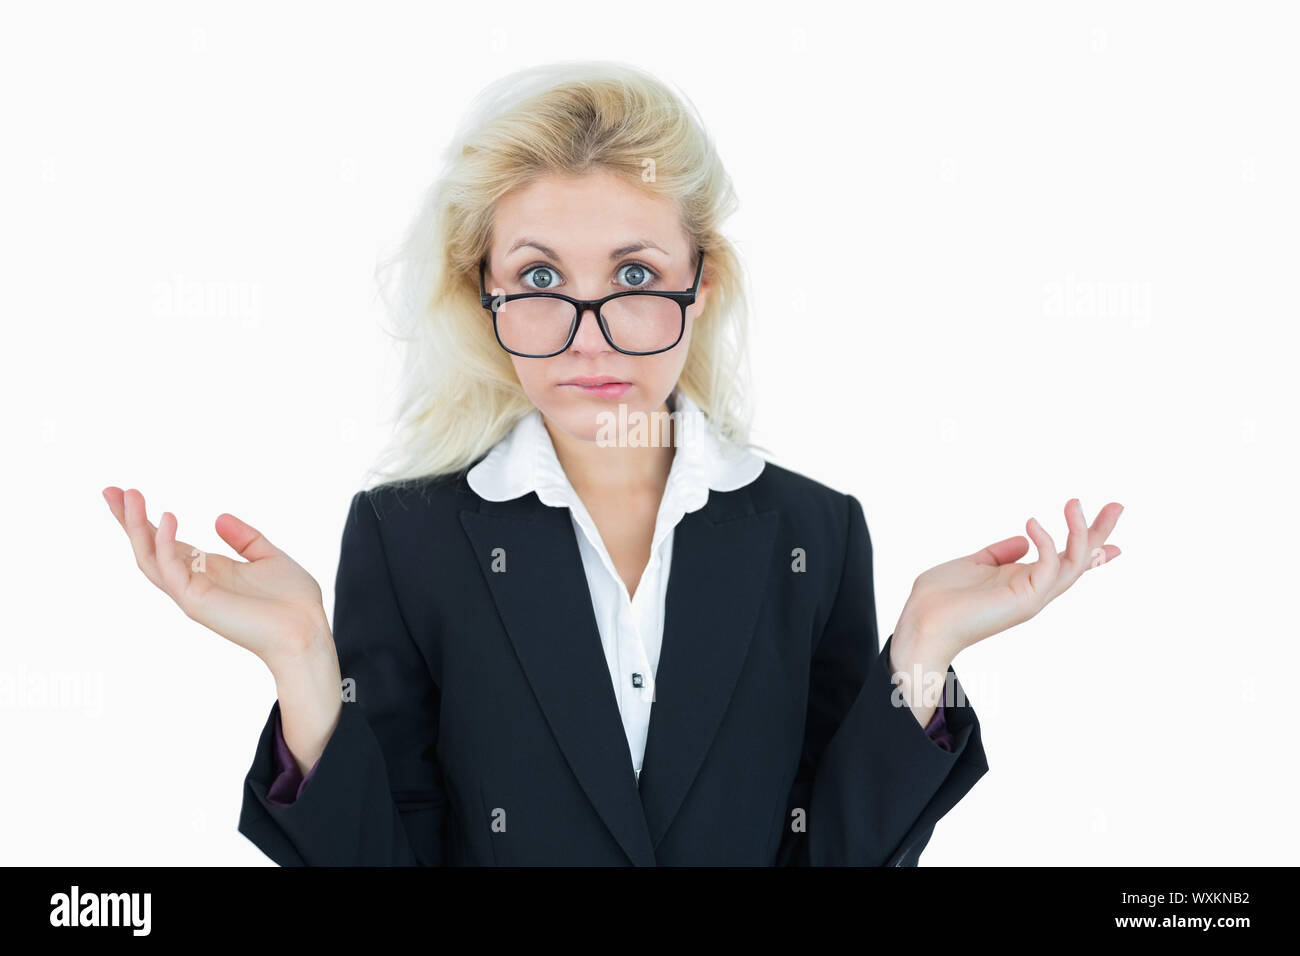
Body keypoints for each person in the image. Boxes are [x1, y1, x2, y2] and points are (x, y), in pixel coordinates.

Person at [102, 60, 1123, 866]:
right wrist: (301, 664)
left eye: (635, 274)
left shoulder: (813, 533)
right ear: (484, 293)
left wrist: (924, 651)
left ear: (701, 283)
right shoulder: (406, 538)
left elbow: (836, 852)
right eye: (540, 277)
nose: (589, 336)